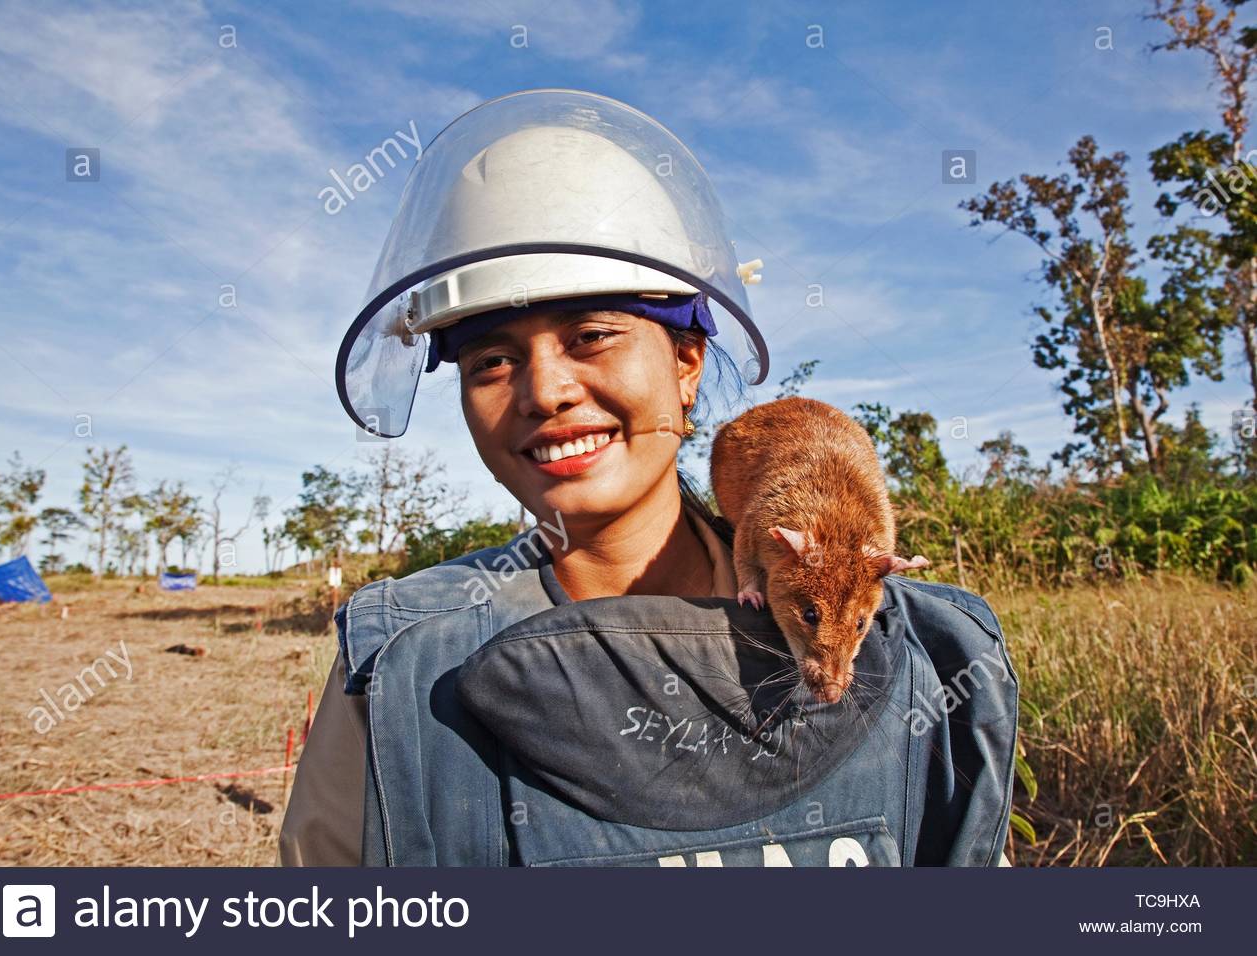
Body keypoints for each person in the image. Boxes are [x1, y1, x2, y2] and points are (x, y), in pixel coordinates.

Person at [279, 90, 1017, 867]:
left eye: (592, 335)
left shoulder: (925, 652)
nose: (545, 392)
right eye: (490, 359)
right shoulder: (406, 659)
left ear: (687, 364)